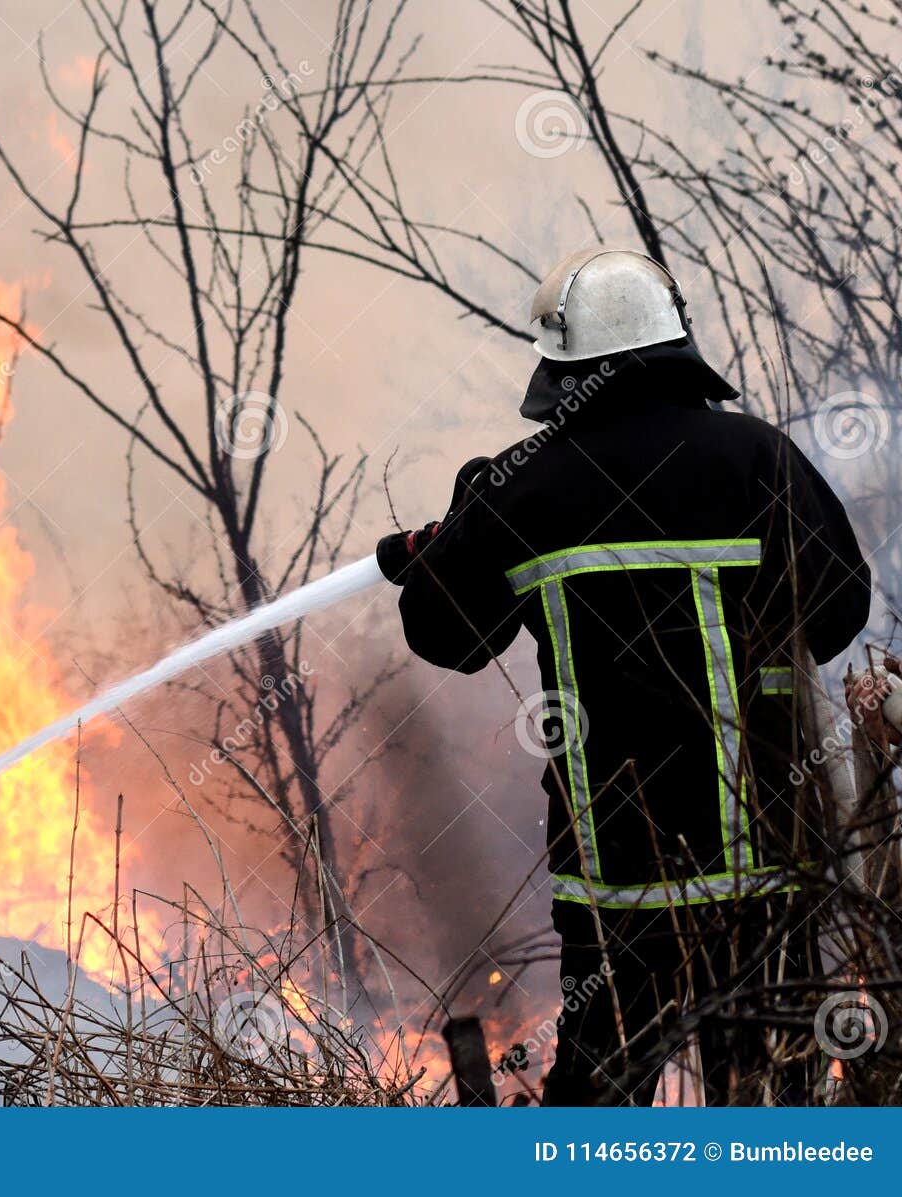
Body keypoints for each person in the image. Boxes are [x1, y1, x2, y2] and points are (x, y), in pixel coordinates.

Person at [377, 248, 872, 1105]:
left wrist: (460, 527)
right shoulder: (757, 457)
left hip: (615, 882)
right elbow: (839, 610)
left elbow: (448, 635)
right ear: (674, 344)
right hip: (761, 866)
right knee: (767, 1103)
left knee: (600, 1097)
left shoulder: (523, 486)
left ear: (566, 366)